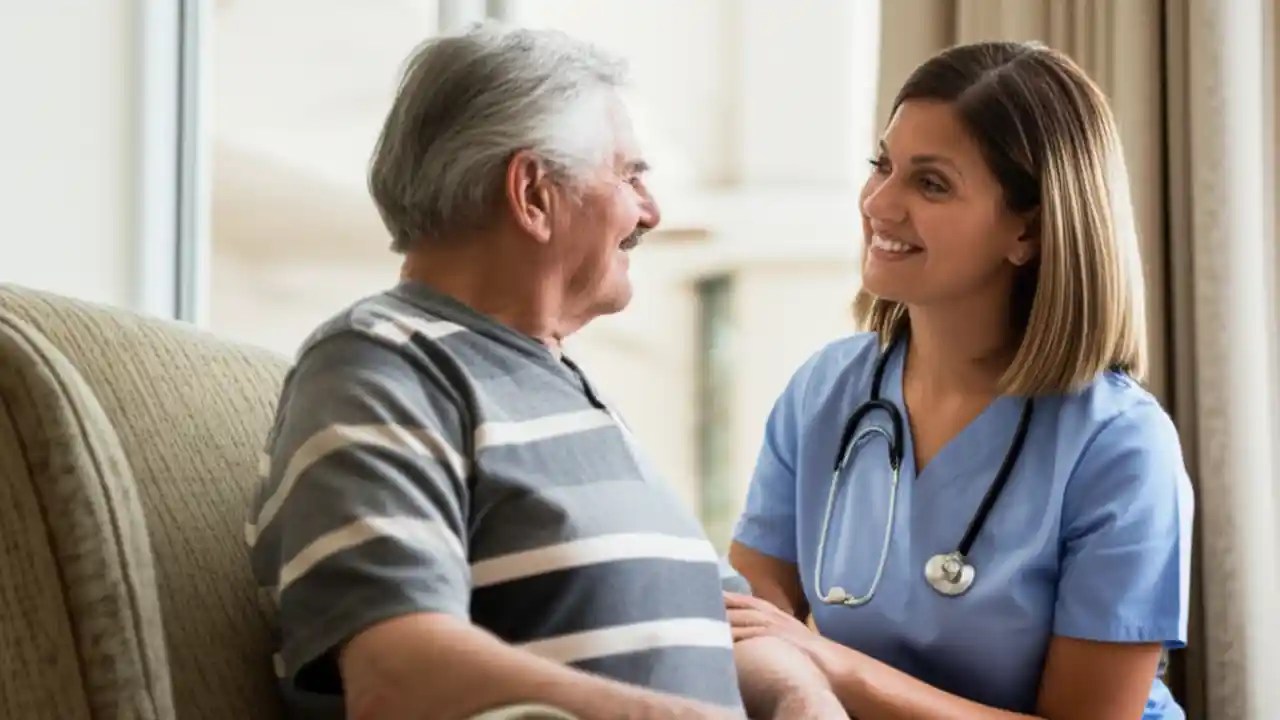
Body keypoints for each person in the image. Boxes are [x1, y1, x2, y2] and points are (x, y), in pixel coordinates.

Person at [244, 25, 844, 720]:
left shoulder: (569, 393)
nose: (651, 211)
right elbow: (397, 675)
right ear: (533, 194)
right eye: (628, 175)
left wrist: (802, 696)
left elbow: (734, 623)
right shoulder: (379, 363)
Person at [726, 41, 1194, 720]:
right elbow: (754, 623)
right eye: (881, 166)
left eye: (931, 182)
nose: (880, 204)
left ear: (1027, 232)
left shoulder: (1119, 446)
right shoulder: (825, 392)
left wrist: (832, 665)